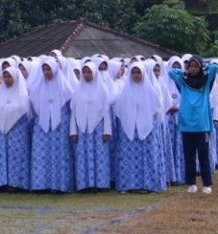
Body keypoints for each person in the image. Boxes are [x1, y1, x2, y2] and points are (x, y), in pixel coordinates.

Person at [112, 60, 167, 192]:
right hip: (129, 128)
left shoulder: (150, 91)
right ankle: (129, 185)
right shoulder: (125, 91)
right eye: (133, 72)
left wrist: (145, 118)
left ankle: (150, 185)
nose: (136, 75)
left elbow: (157, 109)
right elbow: (119, 108)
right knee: (128, 157)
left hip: (148, 129)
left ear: (143, 74)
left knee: (148, 156)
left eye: (138, 72)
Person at [167, 54, 218, 194]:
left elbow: (215, 67)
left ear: (200, 67)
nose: (193, 69)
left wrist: (203, 68)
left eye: (196, 66)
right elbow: (171, 71)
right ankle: (191, 183)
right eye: (191, 66)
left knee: (203, 154)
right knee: (188, 154)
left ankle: (207, 183)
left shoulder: (206, 81)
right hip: (186, 124)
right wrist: (184, 71)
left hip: (202, 125)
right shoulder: (183, 81)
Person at [28, 57, 75, 193]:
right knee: (41, 152)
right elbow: (33, 104)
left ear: (55, 70)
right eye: (44, 69)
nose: (46, 72)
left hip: (61, 123)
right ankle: (40, 184)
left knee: (59, 153)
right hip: (41, 124)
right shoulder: (36, 88)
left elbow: (70, 105)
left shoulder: (65, 87)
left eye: (49, 69)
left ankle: (59, 185)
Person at [69, 59, 113, 191]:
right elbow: (73, 112)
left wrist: (107, 131)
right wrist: (73, 132)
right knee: (82, 156)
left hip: (98, 129)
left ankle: (100, 184)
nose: (87, 74)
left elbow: (106, 112)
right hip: (82, 129)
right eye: (85, 72)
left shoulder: (102, 90)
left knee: (99, 156)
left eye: (89, 72)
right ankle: (84, 185)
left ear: (95, 73)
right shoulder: (77, 90)